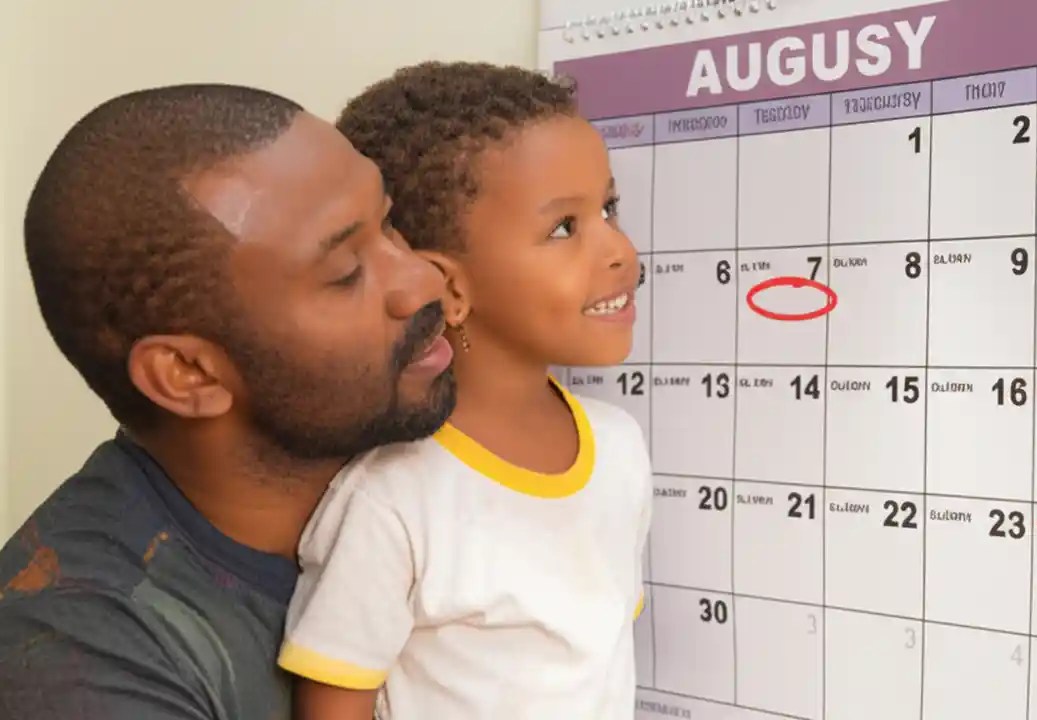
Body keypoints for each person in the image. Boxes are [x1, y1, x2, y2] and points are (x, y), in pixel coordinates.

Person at [0, 83, 457, 720]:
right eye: (346, 273)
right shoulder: (83, 662)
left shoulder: (428, 467)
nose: (425, 279)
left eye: (388, 222)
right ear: (188, 374)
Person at [277, 61, 653, 719]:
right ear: (450, 288)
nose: (619, 249)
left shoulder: (619, 448)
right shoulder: (392, 498)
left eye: (609, 208)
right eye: (565, 227)